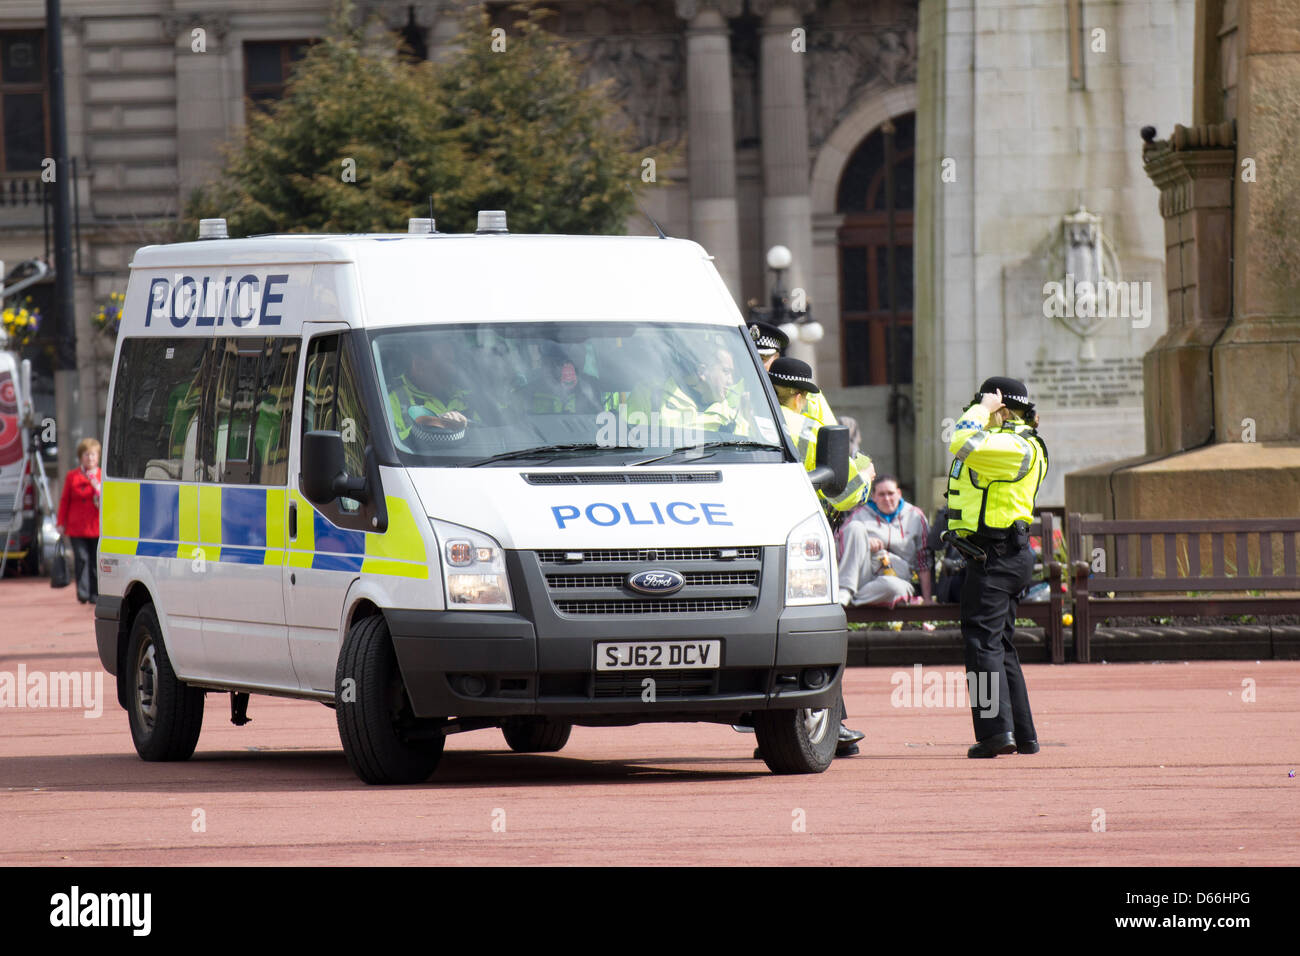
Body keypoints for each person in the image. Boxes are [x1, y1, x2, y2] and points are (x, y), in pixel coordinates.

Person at [761, 356, 864, 757]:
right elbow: (851, 489)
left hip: (753, 546)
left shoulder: (738, 419)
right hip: (799, 546)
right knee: (815, 634)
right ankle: (827, 726)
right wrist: (866, 474)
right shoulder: (804, 427)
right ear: (802, 396)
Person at [946, 377, 1048, 758]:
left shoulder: (1009, 443)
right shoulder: (1020, 443)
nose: (982, 413)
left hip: (996, 556)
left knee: (981, 646)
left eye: (990, 407)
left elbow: (960, 442)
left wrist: (981, 408)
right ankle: (1023, 735)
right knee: (1001, 646)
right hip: (1006, 554)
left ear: (1003, 410)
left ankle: (993, 733)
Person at [836, 474, 933, 608]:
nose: (887, 499)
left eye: (890, 493)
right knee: (855, 528)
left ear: (899, 493)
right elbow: (838, 544)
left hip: (896, 578)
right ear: (874, 497)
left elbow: (923, 560)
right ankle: (845, 590)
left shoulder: (915, 516)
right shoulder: (859, 514)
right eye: (881, 494)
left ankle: (853, 600)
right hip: (865, 575)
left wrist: (927, 599)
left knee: (894, 588)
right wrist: (865, 542)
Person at [386, 339, 472, 445]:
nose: (453, 371)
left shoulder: (466, 393)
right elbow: (397, 449)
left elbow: (492, 427)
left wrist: (464, 428)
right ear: (419, 365)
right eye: (446, 365)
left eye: (453, 364)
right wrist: (434, 425)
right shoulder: (390, 399)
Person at [57, 437, 102, 606]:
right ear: (81, 457)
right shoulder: (72, 476)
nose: (89, 458)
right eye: (86, 455)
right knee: (81, 559)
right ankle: (83, 592)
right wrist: (61, 522)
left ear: (97, 456)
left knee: (95, 561)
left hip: (96, 526)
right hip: (77, 527)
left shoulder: (101, 476)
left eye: (92, 455)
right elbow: (65, 500)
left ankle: (95, 593)